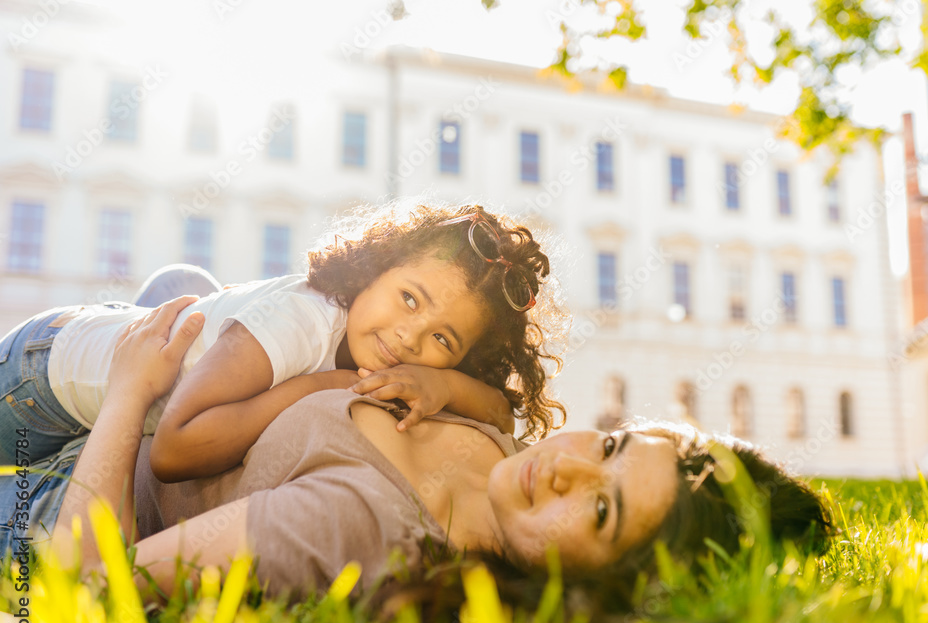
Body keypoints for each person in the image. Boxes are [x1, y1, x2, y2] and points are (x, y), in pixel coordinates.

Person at [0, 296, 833, 615]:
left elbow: (88, 584)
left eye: (603, 508)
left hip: (71, 485)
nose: (570, 466)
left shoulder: (358, 531)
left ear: (600, 588)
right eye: (612, 446)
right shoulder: (498, 445)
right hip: (141, 402)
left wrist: (127, 394)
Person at [0, 203, 566, 484]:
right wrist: (324, 385)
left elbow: (499, 414)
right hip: (47, 374)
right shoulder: (304, 319)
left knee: (194, 299)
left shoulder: (405, 354)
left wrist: (441, 383)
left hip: (141, 392)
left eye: (442, 338)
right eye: (410, 298)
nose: (409, 337)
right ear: (376, 267)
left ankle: (204, 303)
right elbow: (174, 452)